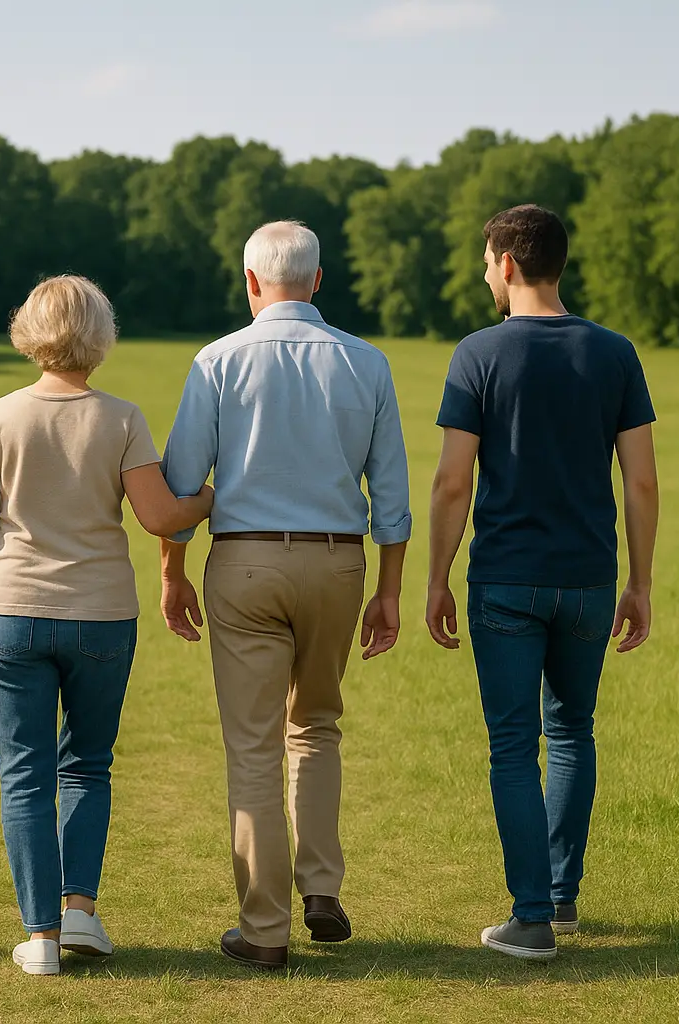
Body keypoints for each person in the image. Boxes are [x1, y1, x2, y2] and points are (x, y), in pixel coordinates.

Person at [160, 221, 411, 971]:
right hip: (338, 565)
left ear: (250, 281)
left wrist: (172, 572)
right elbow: (391, 492)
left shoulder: (217, 360)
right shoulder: (367, 362)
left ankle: (264, 928)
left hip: (244, 562)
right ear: (318, 280)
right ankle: (322, 887)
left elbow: (182, 482)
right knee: (318, 725)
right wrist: (389, 590)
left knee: (253, 747)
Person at [0, 275, 214, 977]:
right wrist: (210, 498)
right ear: (100, 336)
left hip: (9, 611)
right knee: (88, 765)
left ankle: (39, 939)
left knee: (24, 775)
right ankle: (80, 913)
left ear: (29, 332)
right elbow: (161, 517)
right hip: (101, 615)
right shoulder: (122, 419)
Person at [425, 204, 660, 961]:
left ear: (507, 264)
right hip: (589, 580)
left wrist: (436, 578)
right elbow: (641, 482)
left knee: (512, 746)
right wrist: (640, 582)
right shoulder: (615, 353)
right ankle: (560, 900)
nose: (485, 276)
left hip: (505, 581)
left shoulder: (478, 354)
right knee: (572, 732)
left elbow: (452, 483)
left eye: (485, 264)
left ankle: (529, 920)